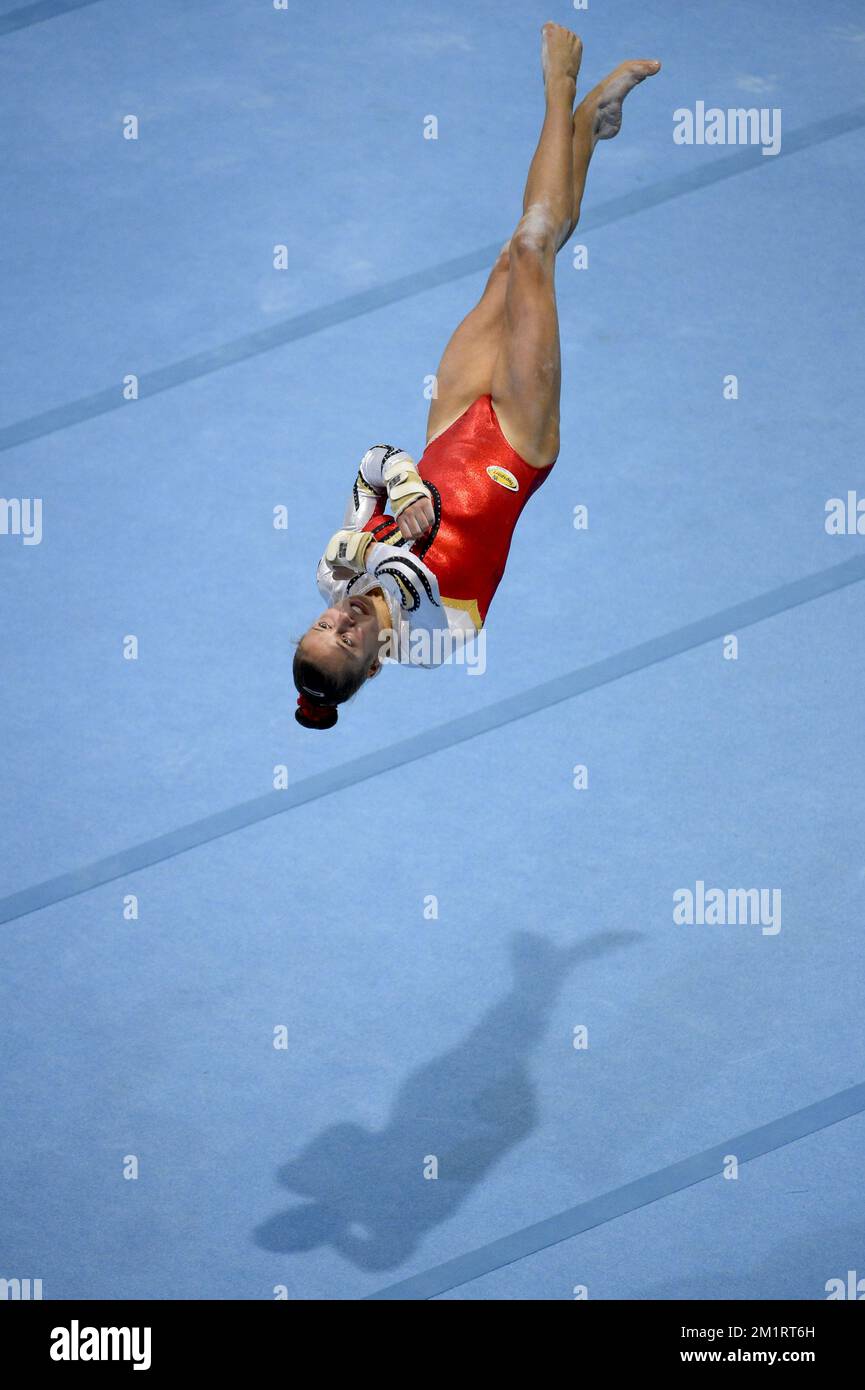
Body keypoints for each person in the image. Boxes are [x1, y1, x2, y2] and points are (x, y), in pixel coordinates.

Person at [295, 24, 660, 730]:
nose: (339, 615)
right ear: (372, 665)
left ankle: (591, 124)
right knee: (532, 247)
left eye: (319, 622)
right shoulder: (437, 640)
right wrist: (381, 546)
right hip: (516, 446)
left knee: (515, 253)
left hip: (453, 420)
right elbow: (408, 580)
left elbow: (373, 461)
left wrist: (399, 486)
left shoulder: (332, 576)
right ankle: (561, 91)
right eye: (346, 638)